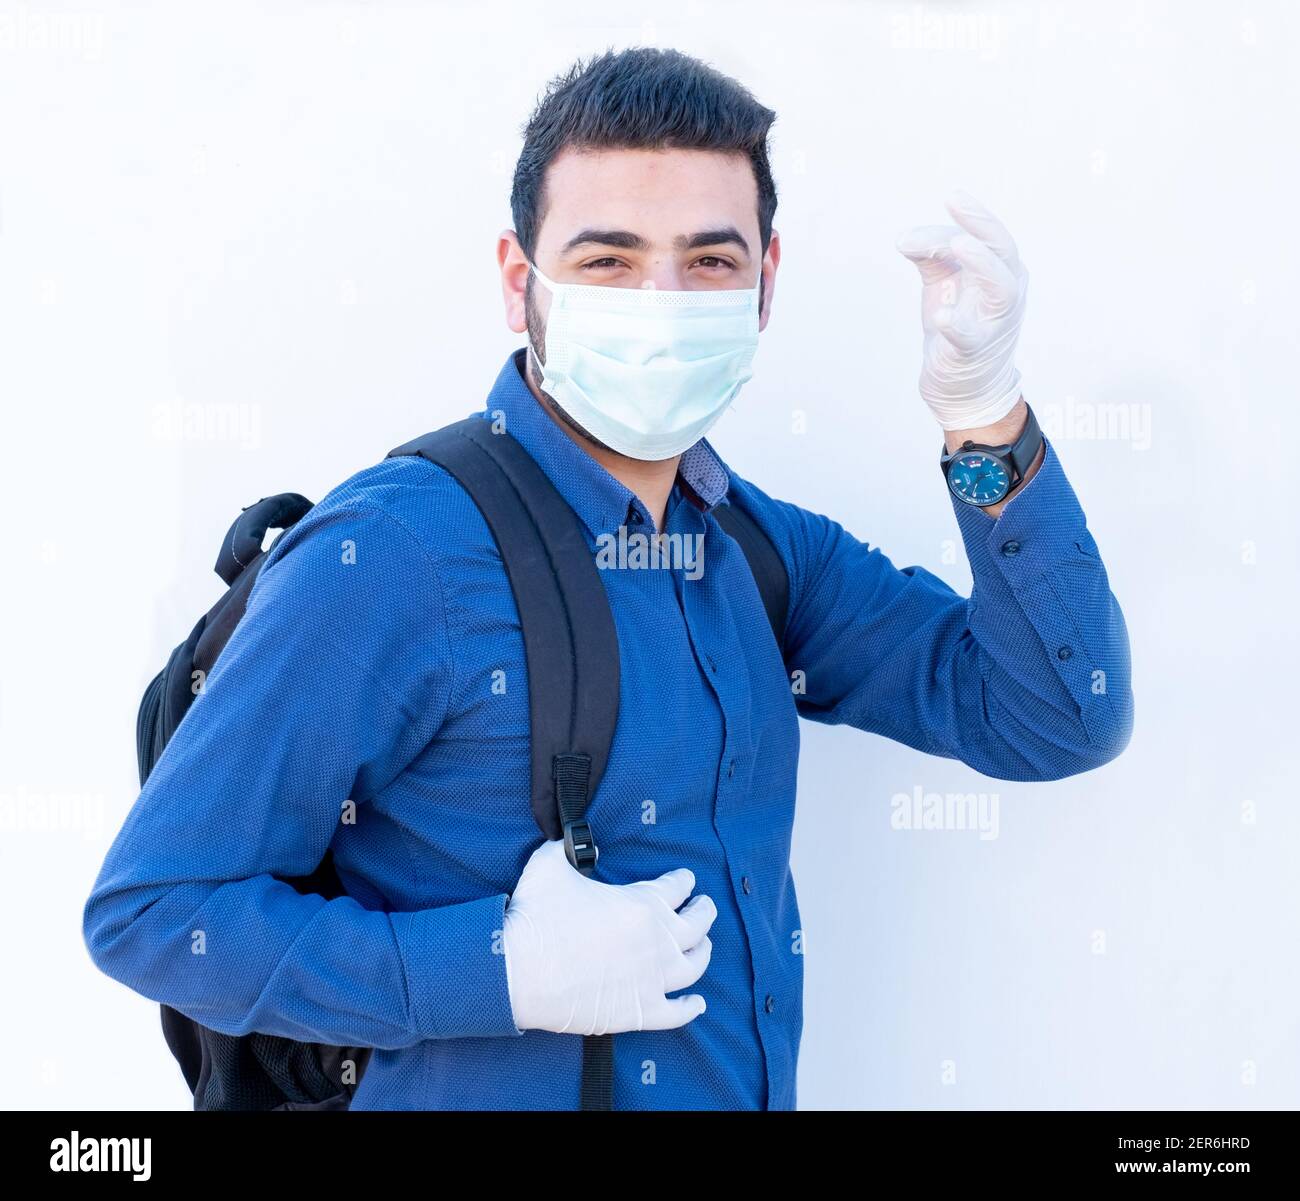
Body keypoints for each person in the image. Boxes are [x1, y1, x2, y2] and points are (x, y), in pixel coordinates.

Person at [83, 47, 1133, 1110]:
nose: (661, 300)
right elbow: (156, 913)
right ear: (517, 281)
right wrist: (496, 969)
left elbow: (1052, 717)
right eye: (609, 260)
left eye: (709, 263)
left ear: (766, 283)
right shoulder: (398, 554)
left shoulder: (757, 550)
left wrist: (981, 411)